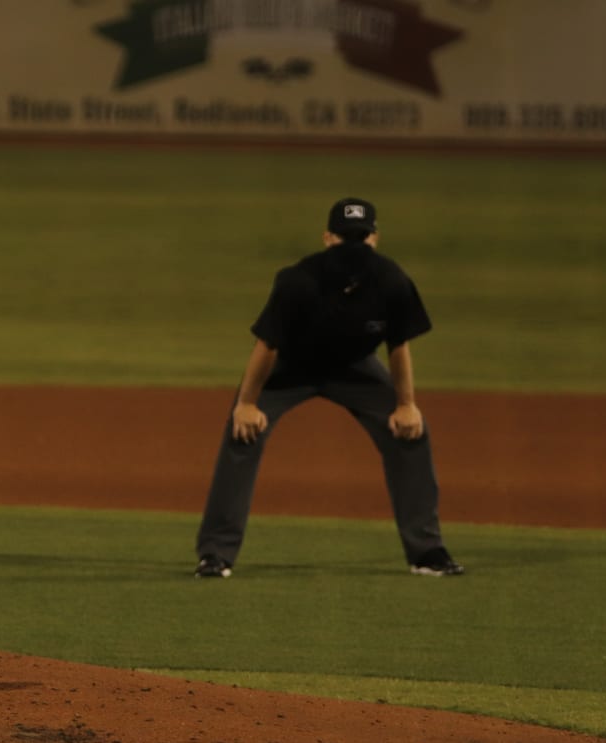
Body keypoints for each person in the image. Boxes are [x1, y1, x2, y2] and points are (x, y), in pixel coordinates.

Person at [193, 197, 464, 579]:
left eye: (361, 237)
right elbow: (267, 345)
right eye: (346, 237)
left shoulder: (391, 280)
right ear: (327, 239)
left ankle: (426, 552)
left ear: (375, 238)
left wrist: (406, 404)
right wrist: (247, 403)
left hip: (355, 369)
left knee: (410, 432)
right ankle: (215, 554)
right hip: (291, 367)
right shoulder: (298, 280)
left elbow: (398, 346)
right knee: (242, 433)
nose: (355, 245)